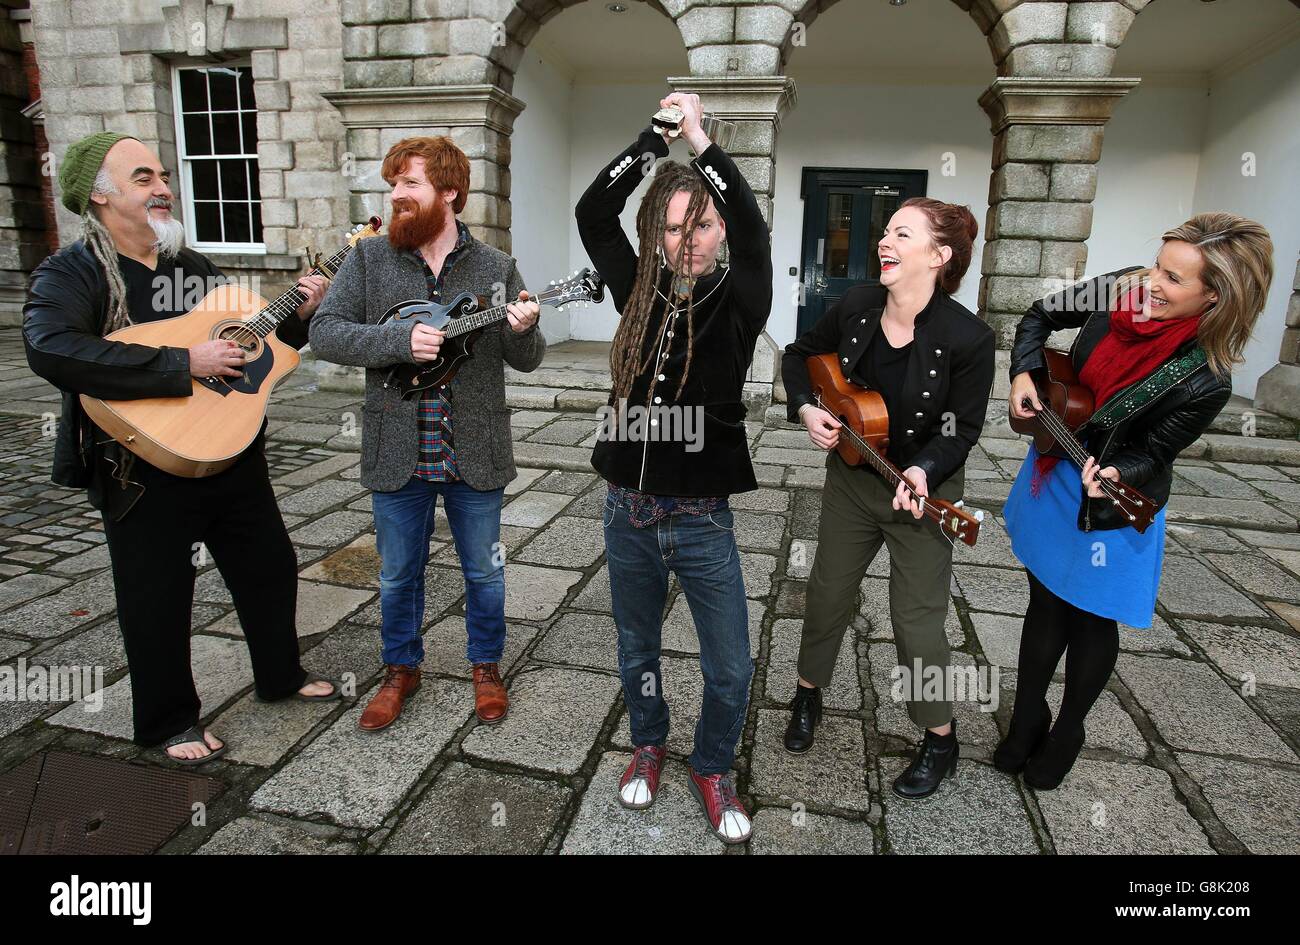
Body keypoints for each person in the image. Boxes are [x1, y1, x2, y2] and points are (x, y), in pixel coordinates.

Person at [23, 133, 339, 764]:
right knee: (156, 593)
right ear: (100, 196)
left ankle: (279, 674)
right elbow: (51, 348)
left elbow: (250, 343)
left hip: (228, 449)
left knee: (270, 565)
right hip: (141, 463)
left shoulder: (190, 268)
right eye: (143, 178)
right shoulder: (73, 270)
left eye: (163, 175)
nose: (163, 187)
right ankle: (170, 720)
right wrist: (180, 361)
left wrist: (302, 314)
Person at [996, 212, 1274, 789]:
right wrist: (1025, 372)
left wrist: (1122, 468)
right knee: (1045, 601)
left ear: (1213, 296)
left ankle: (1069, 728)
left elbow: (1157, 450)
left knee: (1092, 619)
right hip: (1058, 462)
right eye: (1157, 264)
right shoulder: (1123, 285)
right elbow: (1041, 315)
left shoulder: (1206, 378)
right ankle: (1027, 717)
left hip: (1114, 500)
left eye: (1173, 278)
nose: (1150, 282)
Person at [574, 92, 772, 843]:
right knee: (637, 650)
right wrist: (651, 143)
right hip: (626, 508)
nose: (690, 238)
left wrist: (701, 144)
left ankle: (712, 763)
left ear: (720, 231)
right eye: (673, 225)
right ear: (655, 233)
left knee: (730, 666)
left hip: (700, 517)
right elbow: (595, 211)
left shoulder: (741, 294)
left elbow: (754, 232)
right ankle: (649, 744)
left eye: (704, 223)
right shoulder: (639, 288)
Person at [309, 136, 544, 731]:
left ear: (449, 193)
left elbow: (528, 360)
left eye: (409, 184)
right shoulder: (369, 260)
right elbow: (326, 333)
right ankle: (400, 671)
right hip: (398, 451)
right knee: (396, 572)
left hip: (475, 450)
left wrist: (522, 327)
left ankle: (486, 667)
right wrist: (396, 342)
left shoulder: (495, 267)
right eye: (394, 185)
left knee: (485, 570)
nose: (396, 196)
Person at [781, 197, 995, 799]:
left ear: (939, 255)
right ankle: (807, 695)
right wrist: (805, 408)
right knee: (826, 592)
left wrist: (925, 469)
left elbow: (962, 427)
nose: (885, 241)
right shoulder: (856, 306)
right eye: (886, 231)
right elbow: (800, 356)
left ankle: (940, 737)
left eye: (903, 233)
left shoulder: (970, 338)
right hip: (853, 476)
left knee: (917, 623)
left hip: (923, 494)